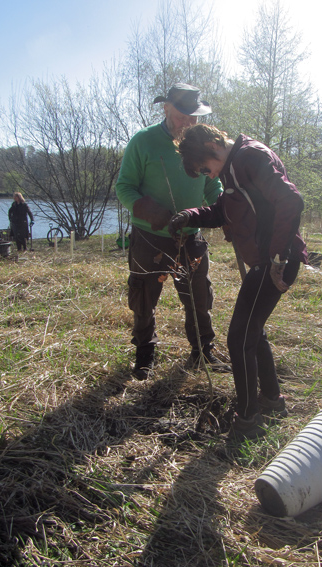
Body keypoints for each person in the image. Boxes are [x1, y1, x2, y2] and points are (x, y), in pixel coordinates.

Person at [169, 124, 308, 441]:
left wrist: (277, 258)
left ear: (212, 143)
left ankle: (247, 419)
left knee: (238, 339)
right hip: (265, 262)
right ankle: (272, 400)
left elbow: (290, 201)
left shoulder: (249, 157)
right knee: (251, 331)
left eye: (205, 167)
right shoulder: (231, 170)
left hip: (274, 263)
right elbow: (223, 211)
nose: (207, 174)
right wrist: (189, 215)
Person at [115, 83, 228, 380]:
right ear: (166, 108)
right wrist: (148, 210)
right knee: (143, 299)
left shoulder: (200, 143)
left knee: (199, 298)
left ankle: (203, 352)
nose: (188, 123)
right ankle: (144, 355)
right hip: (149, 237)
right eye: (182, 115)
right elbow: (124, 187)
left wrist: (225, 209)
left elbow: (211, 185)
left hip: (190, 236)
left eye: (194, 116)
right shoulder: (143, 141)